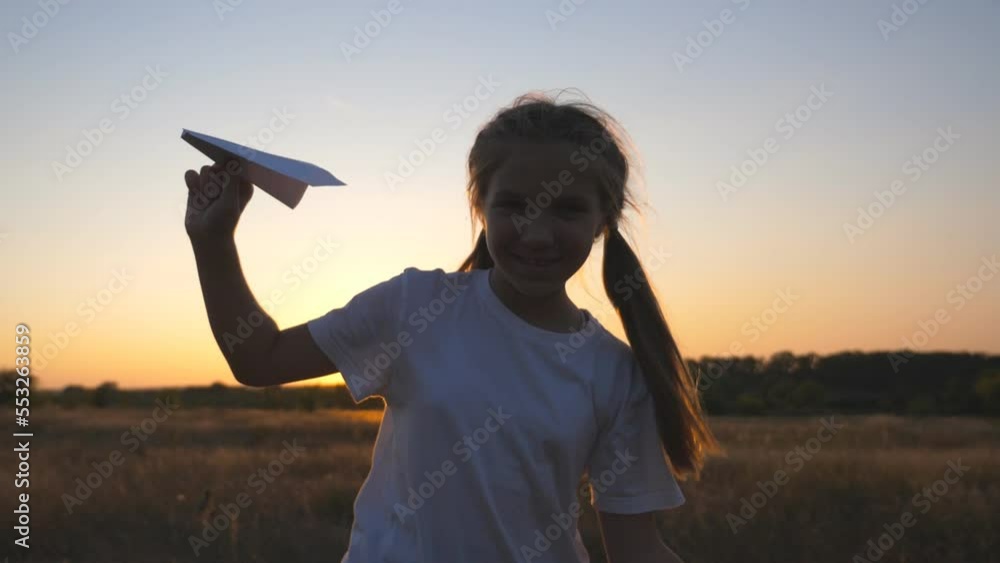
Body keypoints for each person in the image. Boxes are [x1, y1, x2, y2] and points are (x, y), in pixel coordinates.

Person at [184, 90, 720, 562]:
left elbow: (638, 549)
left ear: (603, 221)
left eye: (566, 211)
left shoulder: (615, 373)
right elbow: (258, 358)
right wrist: (213, 241)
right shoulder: (415, 305)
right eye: (513, 205)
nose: (536, 234)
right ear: (479, 205)